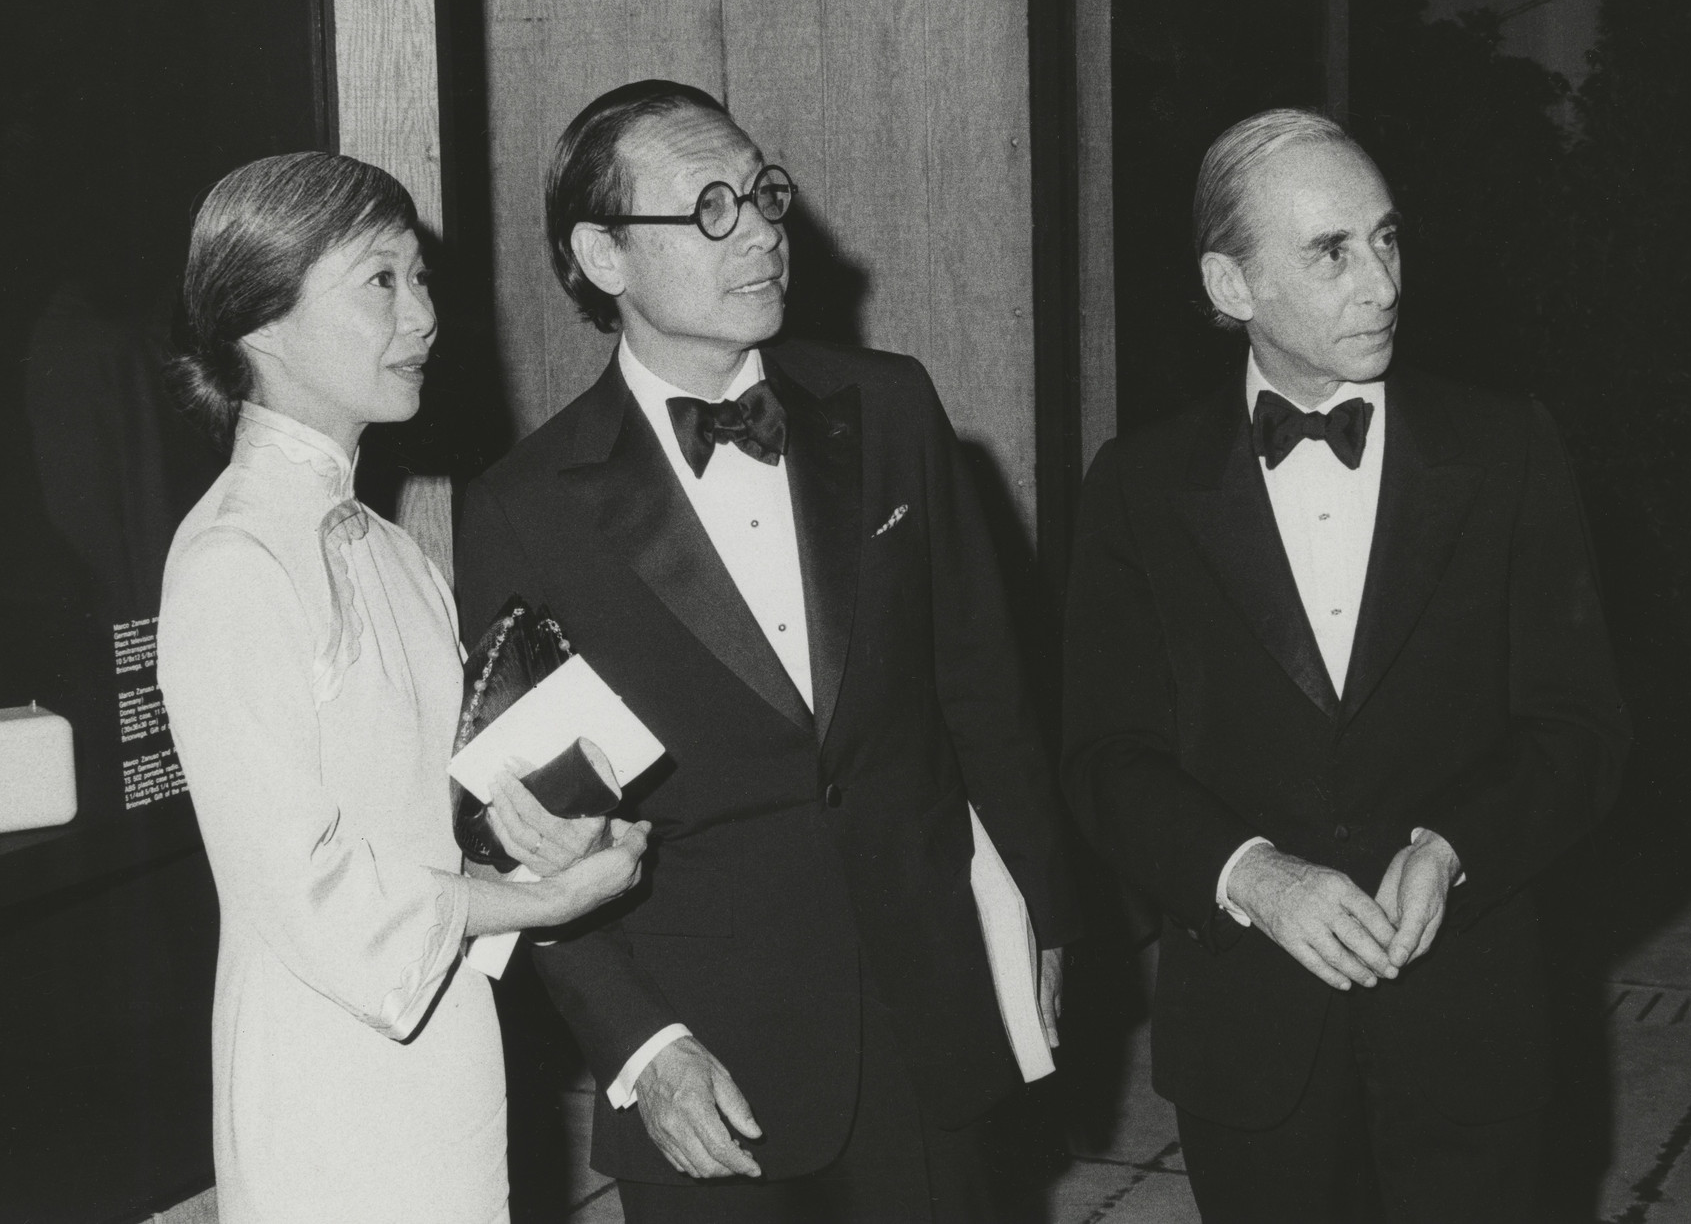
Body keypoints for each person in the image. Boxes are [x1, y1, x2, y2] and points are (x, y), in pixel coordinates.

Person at [454, 79, 1081, 1223]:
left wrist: (1037, 910)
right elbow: (532, 842)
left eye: (761, 195)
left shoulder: (888, 408)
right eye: (705, 210)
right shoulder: (525, 507)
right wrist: (644, 1047)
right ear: (602, 256)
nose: (756, 231)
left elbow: (986, 692)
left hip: (926, 1017)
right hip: (714, 1065)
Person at [1061, 109, 1631, 1224]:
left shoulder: (1505, 449)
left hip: (1465, 1023)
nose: (1379, 281)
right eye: (1329, 250)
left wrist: (1453, 846)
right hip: (1249, 1039)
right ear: (1230, 285)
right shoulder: (1138, 485)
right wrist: (1249, 874)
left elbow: (1578, 725)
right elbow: (1103, 756)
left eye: (1385, 238)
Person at [157, 152, 651, 1224]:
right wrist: (546, 899)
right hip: (326, 1073)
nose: (423, 315)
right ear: (262, 322)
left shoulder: (392, 551)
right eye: (379, 281)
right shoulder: (233, 560)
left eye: (420, 278)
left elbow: (436, 816)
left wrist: (548, 835)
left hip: (445, 1045)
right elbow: (304, 886)